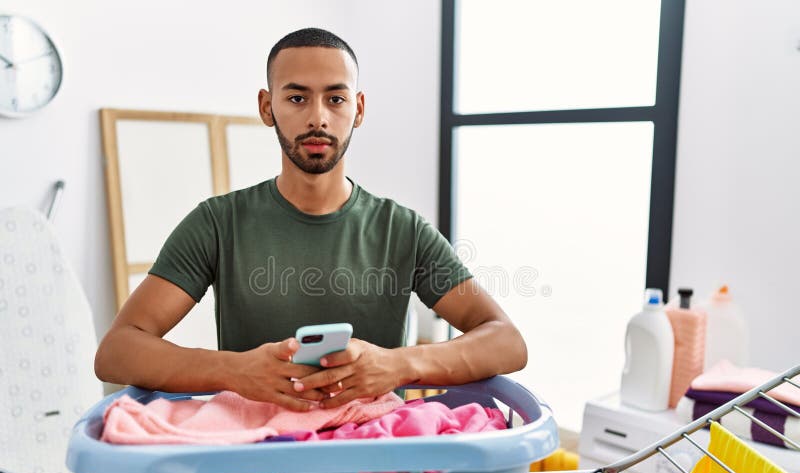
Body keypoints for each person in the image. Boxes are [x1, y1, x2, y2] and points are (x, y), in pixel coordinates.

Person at [94, 28, 527, 411]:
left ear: (358, 109)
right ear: (267, 107)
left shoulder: (403, 231)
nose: (318, 116)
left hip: (372, 464)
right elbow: (117, 351)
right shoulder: (217, 224)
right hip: (255, 463)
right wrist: (235, 371)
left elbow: (506, 341)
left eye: (335, 98)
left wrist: (396, 364)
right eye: (297, 97)